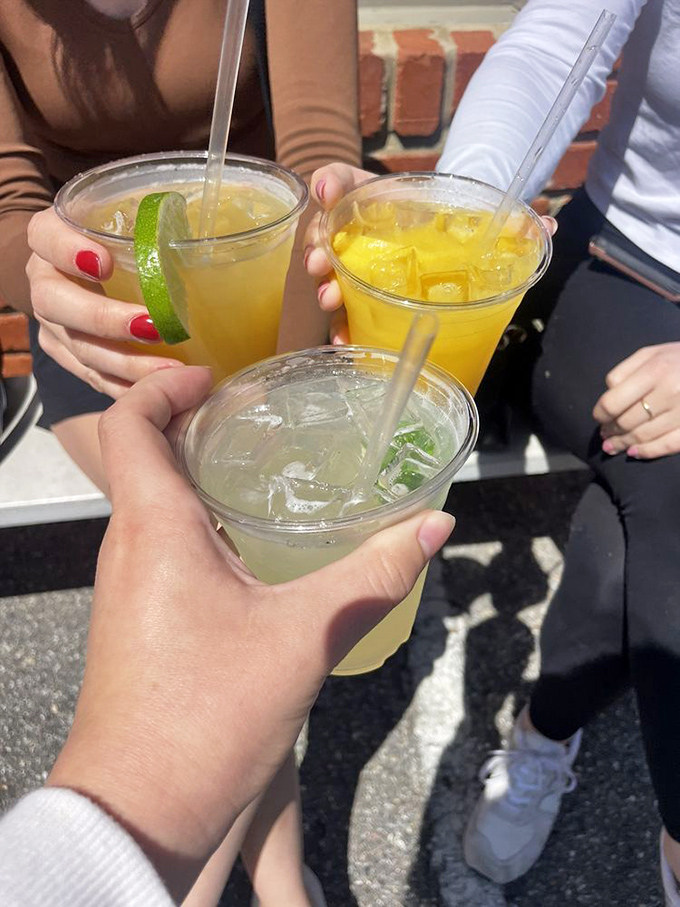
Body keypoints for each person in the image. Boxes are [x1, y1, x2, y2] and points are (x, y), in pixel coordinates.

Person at [303, 0, 680, 900]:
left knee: (650, 505)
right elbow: (556, 43)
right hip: (627, 263)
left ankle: (549, 736)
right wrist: (458, 230)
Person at [1, 2, 361, 904]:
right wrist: (51, 272)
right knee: (217, 539)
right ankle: (266, 877)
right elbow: (11, 202)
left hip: (263, 279)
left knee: (231, 533)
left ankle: (230, 874)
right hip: (107, 315)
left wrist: (319, 222)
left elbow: (315, 141)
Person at [0, 365, 455, 905]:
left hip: (240, 379)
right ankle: (277, 886)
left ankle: (273, 882)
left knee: (245, 684)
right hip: (128, 392)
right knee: (243, 682)